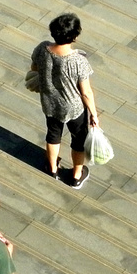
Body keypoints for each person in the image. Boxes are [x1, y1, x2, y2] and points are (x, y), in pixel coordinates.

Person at [30, 13, 100, 189]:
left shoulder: (42, 48)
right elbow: (86, 93)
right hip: (74, 108)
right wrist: (93, 114)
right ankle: (76, 176)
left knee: (53, 134)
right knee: (78, 140)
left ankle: (52, 169)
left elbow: (34, 67)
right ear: (75, 36)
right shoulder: (78, 61)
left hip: (50, 103)